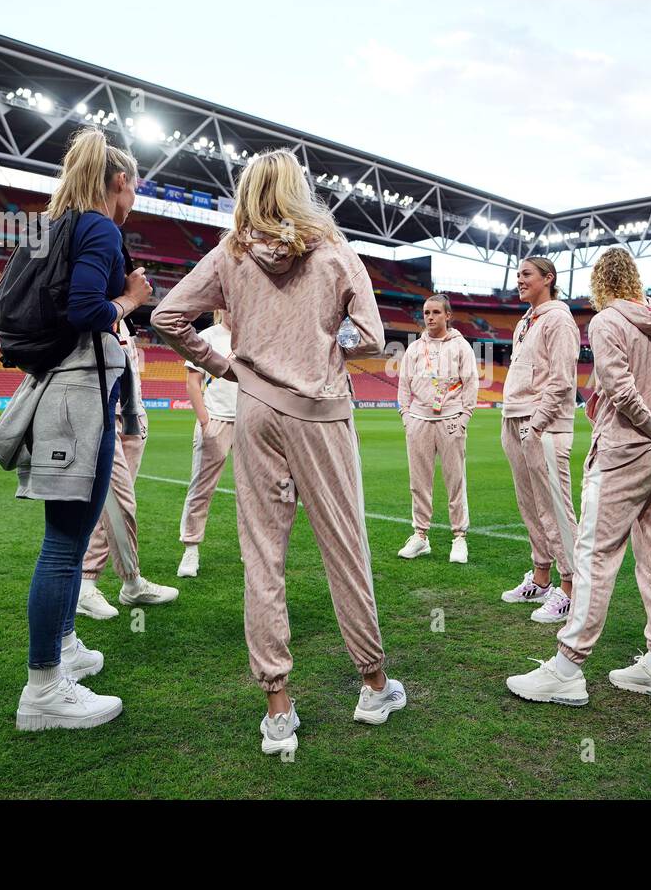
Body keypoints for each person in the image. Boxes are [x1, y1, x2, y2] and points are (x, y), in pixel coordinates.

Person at [151, 148, 405, 756]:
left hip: (256, 408)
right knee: (344, 544)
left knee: (263, 554)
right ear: (299, 189)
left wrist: (230, 366)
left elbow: (167, 316)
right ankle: (372, 685)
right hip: (320, 412)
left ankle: (278, 709)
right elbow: (370, 337)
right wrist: (322, 346)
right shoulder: (336, 250)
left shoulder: (231, 253)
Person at [0, 128, 154, 730]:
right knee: (64, 540)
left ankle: (64, 646)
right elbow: (87, 308)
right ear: (118, 182)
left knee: (74, 534)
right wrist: (131, 299)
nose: (136, 195)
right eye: (135, 184)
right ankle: (43, 689)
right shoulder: (98, 226)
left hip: (67, 388)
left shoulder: (54, 223)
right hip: (77, 395)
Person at [506, 247, 651, 707]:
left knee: (594, 554)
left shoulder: (606, 321)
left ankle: (568, 669)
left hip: (626, 452)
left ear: (599, 283)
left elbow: (620, 386)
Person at [76, 317, 179, 618]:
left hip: (133, 414)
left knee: (107, 508)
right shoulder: (94, 305)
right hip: (103, 414)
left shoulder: (125, 319)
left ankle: (86, 583)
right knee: (121, 504)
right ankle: (131, 582)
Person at [499, 256, 581, 624]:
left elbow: (562, 379)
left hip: (543, 424)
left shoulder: (559, 319)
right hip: (514, 417)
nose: (519, 280)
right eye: (517, 275)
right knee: (529, 505)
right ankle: (541, 577)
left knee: (556, 508)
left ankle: (572, 589)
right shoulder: (524, 322)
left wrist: (537, 423)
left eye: (526, 274)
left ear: (548, 279)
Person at [395, 294, 479, 564]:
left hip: (451, 419)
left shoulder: (460, 346)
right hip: (419, 421)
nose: (429, 317)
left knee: (455, 480)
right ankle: (420, 536)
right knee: (418, 482)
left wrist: (464, 416)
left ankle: (459, 538)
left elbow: (471, 382)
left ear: (447, 315)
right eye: (426, 312)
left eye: (435, 312)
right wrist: (406, 416)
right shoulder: (414, 349)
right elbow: (404, 384)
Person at [176, 309, 239, 578]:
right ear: (219, 308)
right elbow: (193, 382)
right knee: (201, 488)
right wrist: (205, 422)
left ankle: (254, 549)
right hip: (217, 420)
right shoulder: (207, 337)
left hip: (251, 423)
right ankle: (191, 549)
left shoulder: (254, 336)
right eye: (226, 303)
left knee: (255, 493)